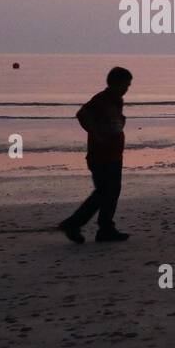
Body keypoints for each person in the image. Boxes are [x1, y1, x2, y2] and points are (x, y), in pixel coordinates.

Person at [59, 66, 133, 243]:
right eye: (125, 85)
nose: (126, 89)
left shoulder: (117, 100)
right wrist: (95, 133)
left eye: (128, 86)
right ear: (114, 83)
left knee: (112, 192)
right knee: (103, 192)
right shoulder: (101, 99)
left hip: (114, 155)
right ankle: (73, 224)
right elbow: (82, 114)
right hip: (100, 156)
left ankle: (105, 229)